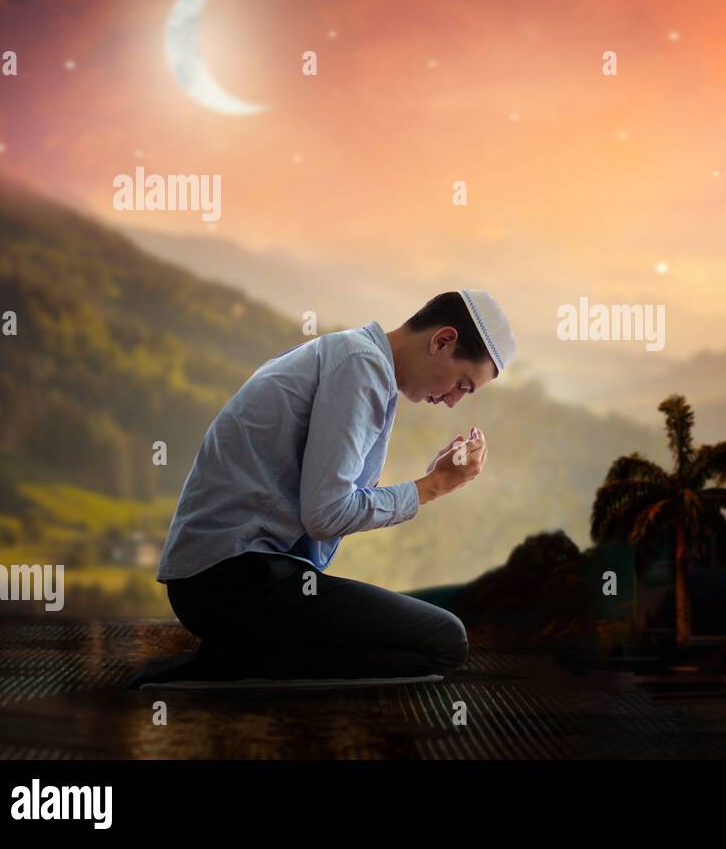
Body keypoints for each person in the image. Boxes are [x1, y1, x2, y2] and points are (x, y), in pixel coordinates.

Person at [124, 290, 517, 688]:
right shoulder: (362, 367)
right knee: (445, 642)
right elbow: (326, 515)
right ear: (442, 340)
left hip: (217, 581)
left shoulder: (351, 355)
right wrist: (433, 486)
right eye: (463, 384)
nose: (453, 401)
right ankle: (240, 664)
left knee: (426, 639)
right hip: (232, 582)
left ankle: (243, 652)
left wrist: (431, 479)